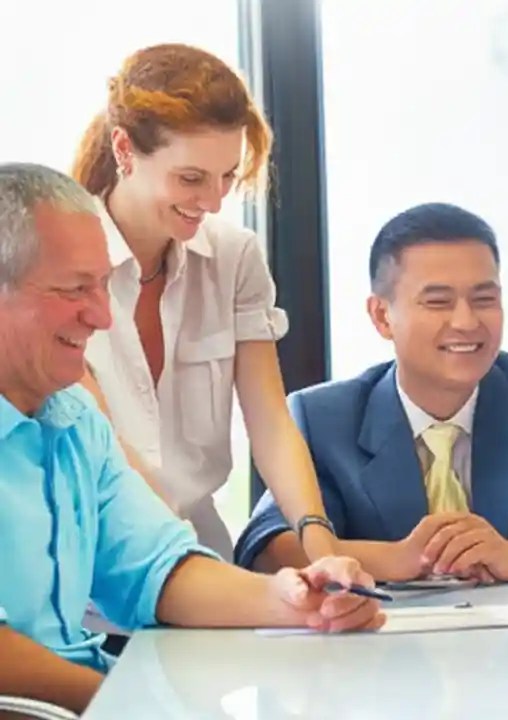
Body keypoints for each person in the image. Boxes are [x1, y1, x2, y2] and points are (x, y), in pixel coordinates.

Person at [0, 163, 382, 716]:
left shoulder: (75, 421)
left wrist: (297, 598)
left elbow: (158, 567)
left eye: (104, 285)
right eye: (74, 289)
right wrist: (129, 703)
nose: (102, 315)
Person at [234, 202, 508, 582]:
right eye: (438, 302)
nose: (466, 322)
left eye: (484, 299)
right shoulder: (323, 418)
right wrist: (399, 559)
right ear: (382, 316)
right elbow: (269, 547)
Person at [70, 43, 339, 561]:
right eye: (191, 178)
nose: (214, 201)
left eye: (227, 177)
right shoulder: (60, 264)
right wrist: (196, 573)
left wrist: (318, 541)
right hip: (95, 569)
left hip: (199, 554)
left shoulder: (233, 258)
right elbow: (106, 454)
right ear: (124, 150)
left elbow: (270, 421)